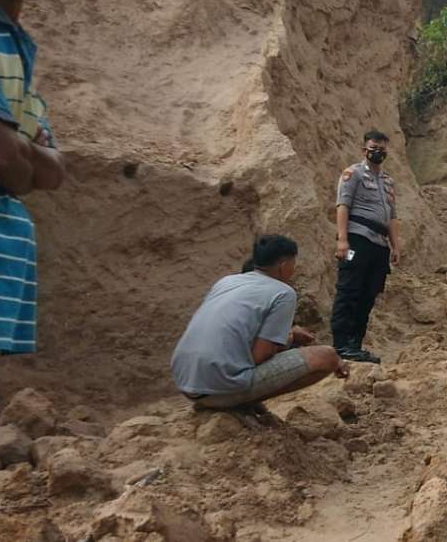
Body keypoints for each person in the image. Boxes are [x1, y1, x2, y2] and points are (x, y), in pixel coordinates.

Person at [0, 0, 67, 399]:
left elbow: (55, 170)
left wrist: (21, 155)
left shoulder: (16, 45)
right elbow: (4, 156)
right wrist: (21, 154)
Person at [171, 235, 347, 411]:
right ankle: (240, 403)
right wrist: (290, 339)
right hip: (218, 390)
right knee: (327, 356)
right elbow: (260, 356)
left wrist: (288, 336)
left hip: (187, 386)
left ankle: (230, 400)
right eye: (293, 263)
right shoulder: (283, 293)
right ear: (284, 265)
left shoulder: (226, 282)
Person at [331, 129, 402, 364]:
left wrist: (396, 246)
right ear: (364, 150)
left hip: (379, 244)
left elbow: (391, 216)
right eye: (374, 148)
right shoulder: (353, 174)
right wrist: (342, 240)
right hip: (357, 238)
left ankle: (355, 344)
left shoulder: (388, 181)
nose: (378, 152)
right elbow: (343, 205)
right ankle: (341, 345)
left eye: (382, 149)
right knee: (349, 290)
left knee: (369, 293)